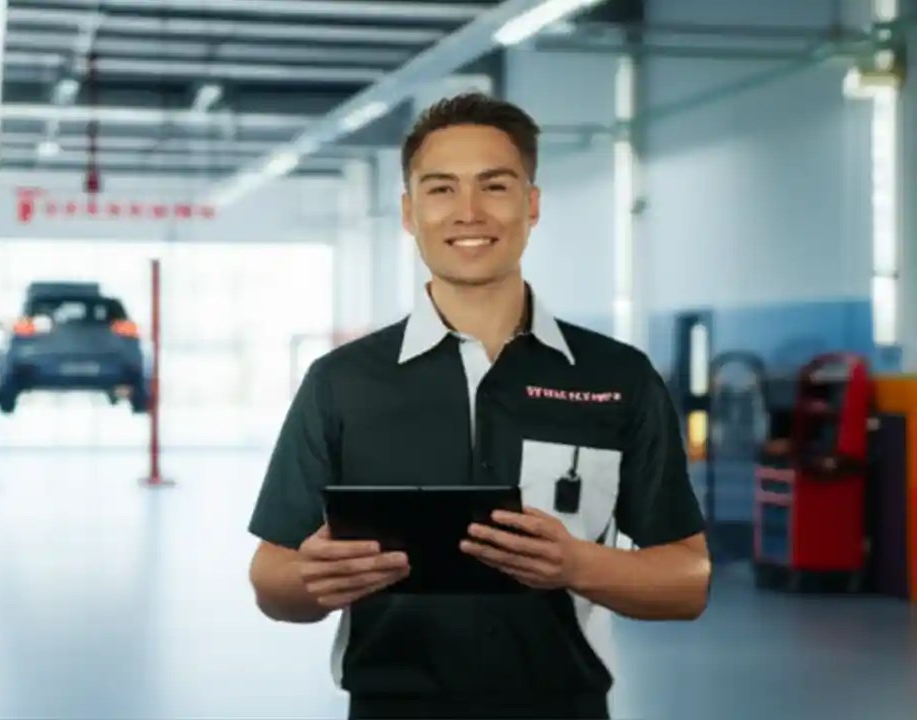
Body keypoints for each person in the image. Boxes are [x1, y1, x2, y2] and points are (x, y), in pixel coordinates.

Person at [246, 92, 712, 720]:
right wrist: (314, 580)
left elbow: (687, 580)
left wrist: (577, 564)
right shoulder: (342, 383)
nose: (468, 212)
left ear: (532, 204)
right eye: (440, 190)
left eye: (495, 186)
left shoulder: (618, 377)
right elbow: (270, 578)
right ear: (410, 213)